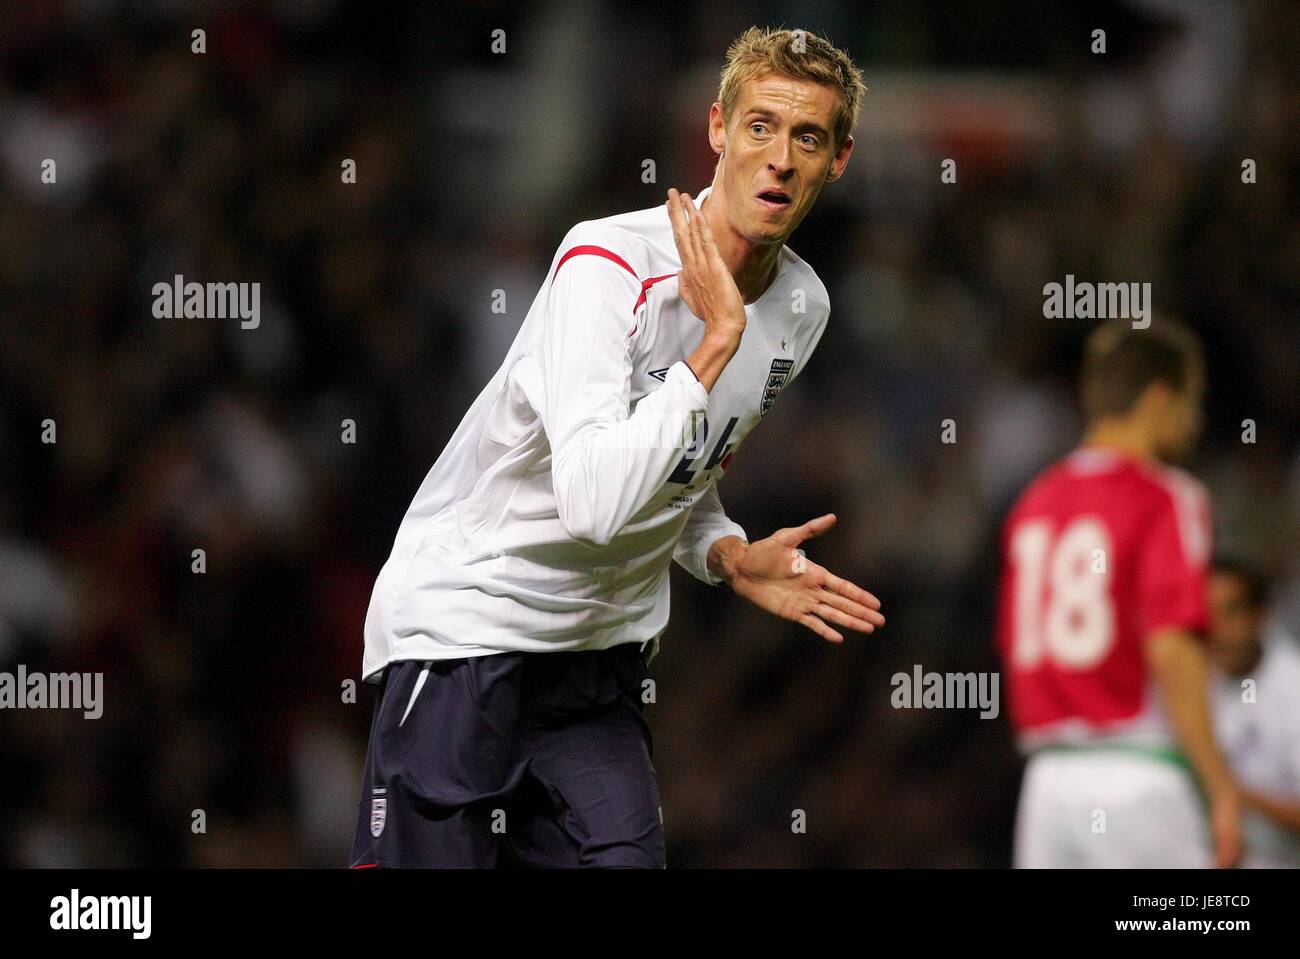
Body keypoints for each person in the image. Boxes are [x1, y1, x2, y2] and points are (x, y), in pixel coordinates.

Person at [350, 26, 883, 868]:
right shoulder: (604, 264)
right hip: (467, 632)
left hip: (598, 659)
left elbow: (681, 469)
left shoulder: (802, 310)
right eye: (760, 126)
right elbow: (596, 501)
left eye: (807, 137)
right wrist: (714, 344)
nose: (779, 157)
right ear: (716, 130)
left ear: (838, 158)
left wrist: (725, 553)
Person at [995, 316, 1241, 868]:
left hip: (1046, 783)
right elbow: (1172, 646)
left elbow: (1013, 643)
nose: (1195, 419)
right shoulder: (1166, 496)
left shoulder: (1034, 502)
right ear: (1159, 397)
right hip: (1139, 771)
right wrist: (1220, 787)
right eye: (1190, 400)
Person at [1208, 557, 1300, 867]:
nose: (1216, 629)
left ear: (1260, 615)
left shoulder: (1293, 688)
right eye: (1207, 614)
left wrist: (1223, 786)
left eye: (1230, 612)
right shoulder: (1191, 682)